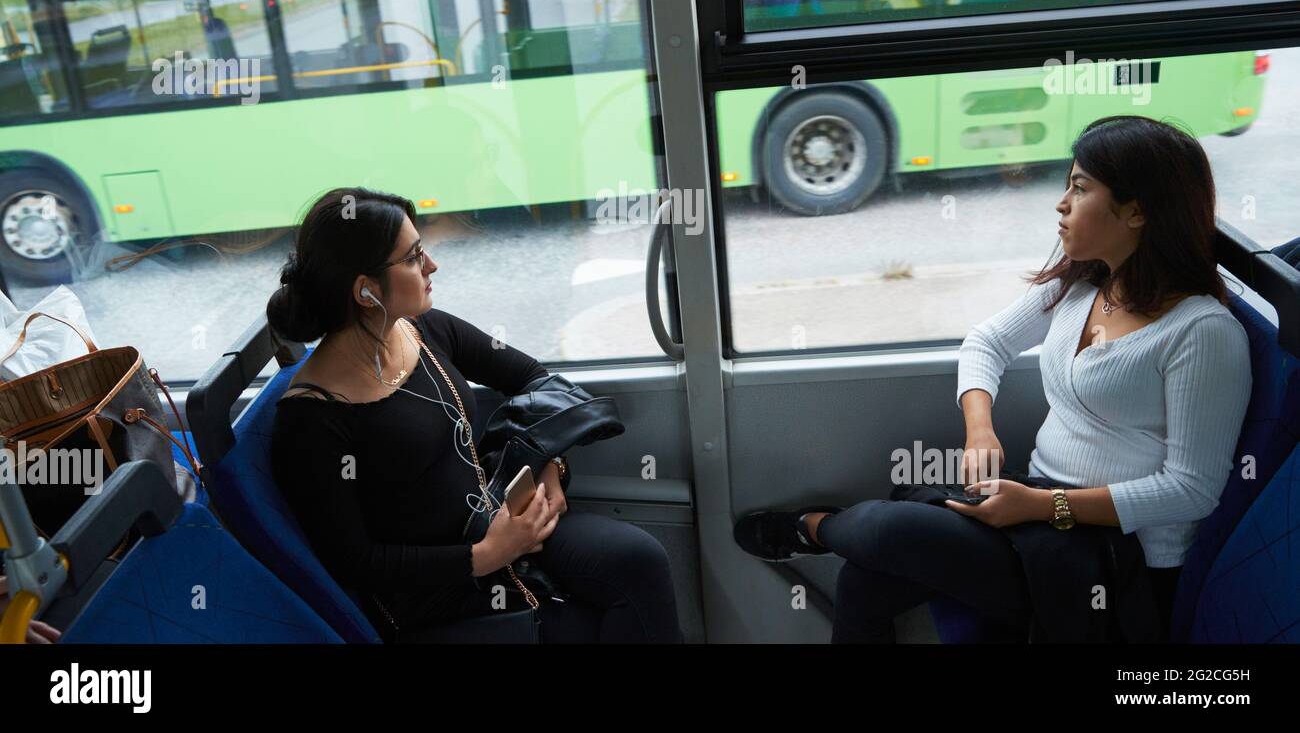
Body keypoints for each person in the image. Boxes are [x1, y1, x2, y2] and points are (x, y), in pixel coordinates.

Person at [734, 114, 1252, 643]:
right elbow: (988, 341)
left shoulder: (1202, 333)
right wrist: (980, 428)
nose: (1062, 203)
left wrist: (1047, 507)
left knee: (892, 529)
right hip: (1037, 508)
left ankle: (814, 528)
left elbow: (1192, 490)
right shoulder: (1085, 286)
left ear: (1137, 210)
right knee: (865, 582)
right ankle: (828, 532)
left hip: (1117, 557)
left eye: (1079, 186)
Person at [267, 187, 682, 643]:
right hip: (438, 594)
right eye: (413, 257)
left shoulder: (421, 329)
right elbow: (356, 561)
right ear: (366, 291)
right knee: (582, 629)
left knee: (641, 561)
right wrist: (487, 554)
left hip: (500, 521)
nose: (432, 266)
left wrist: (549, 467)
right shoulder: (311, 420)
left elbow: (533, 378)